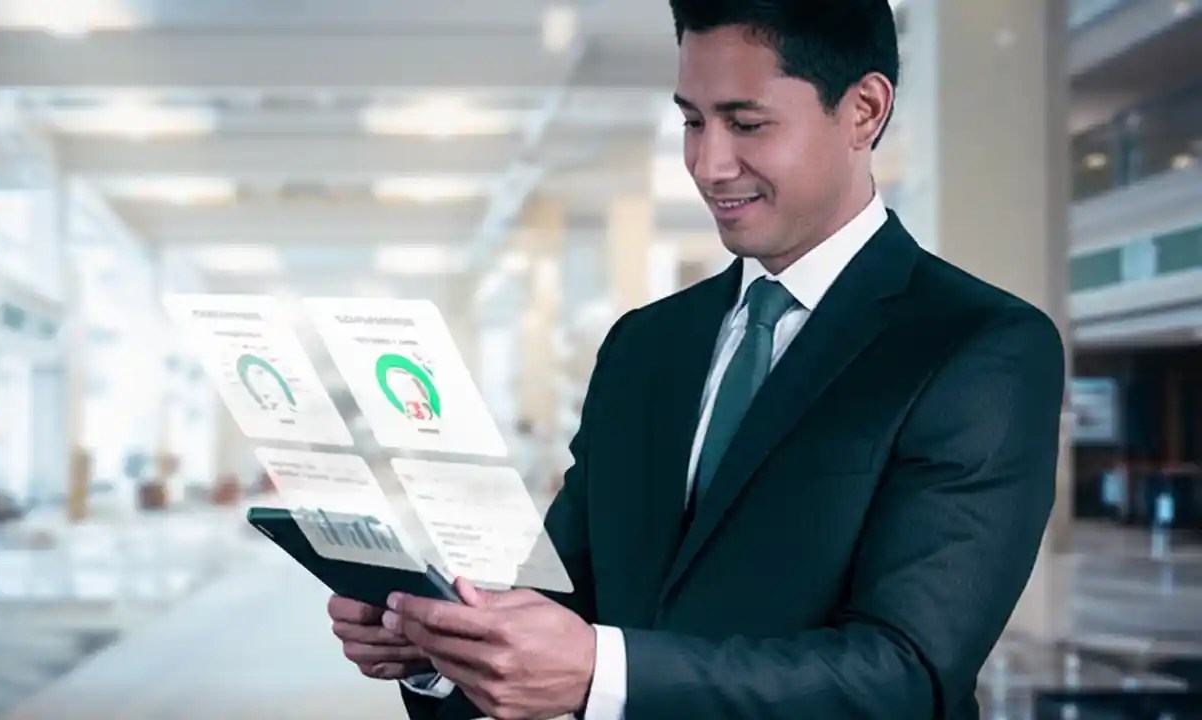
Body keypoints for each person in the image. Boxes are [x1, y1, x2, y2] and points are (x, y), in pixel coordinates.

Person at [327, 0, 1066, 718]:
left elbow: (905, 674)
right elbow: (560, 599)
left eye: (746, 123)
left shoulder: (978, 349)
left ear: (865, 110)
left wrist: (601, 675)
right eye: (691, 121)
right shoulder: (644, 346)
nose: (709, 164)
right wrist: (442, 641)